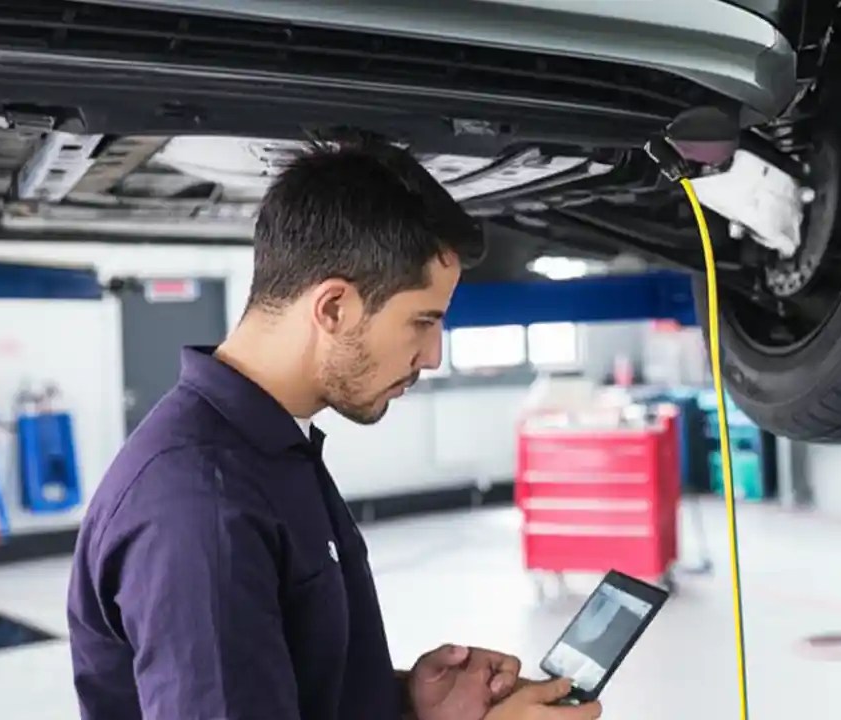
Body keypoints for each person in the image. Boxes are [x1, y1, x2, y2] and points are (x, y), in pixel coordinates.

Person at [65, 137, 603, 720]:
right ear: (333, 309)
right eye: (422, 321)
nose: (432, 356)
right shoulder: (202, 505)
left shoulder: (269, 449)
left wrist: (407, 705)